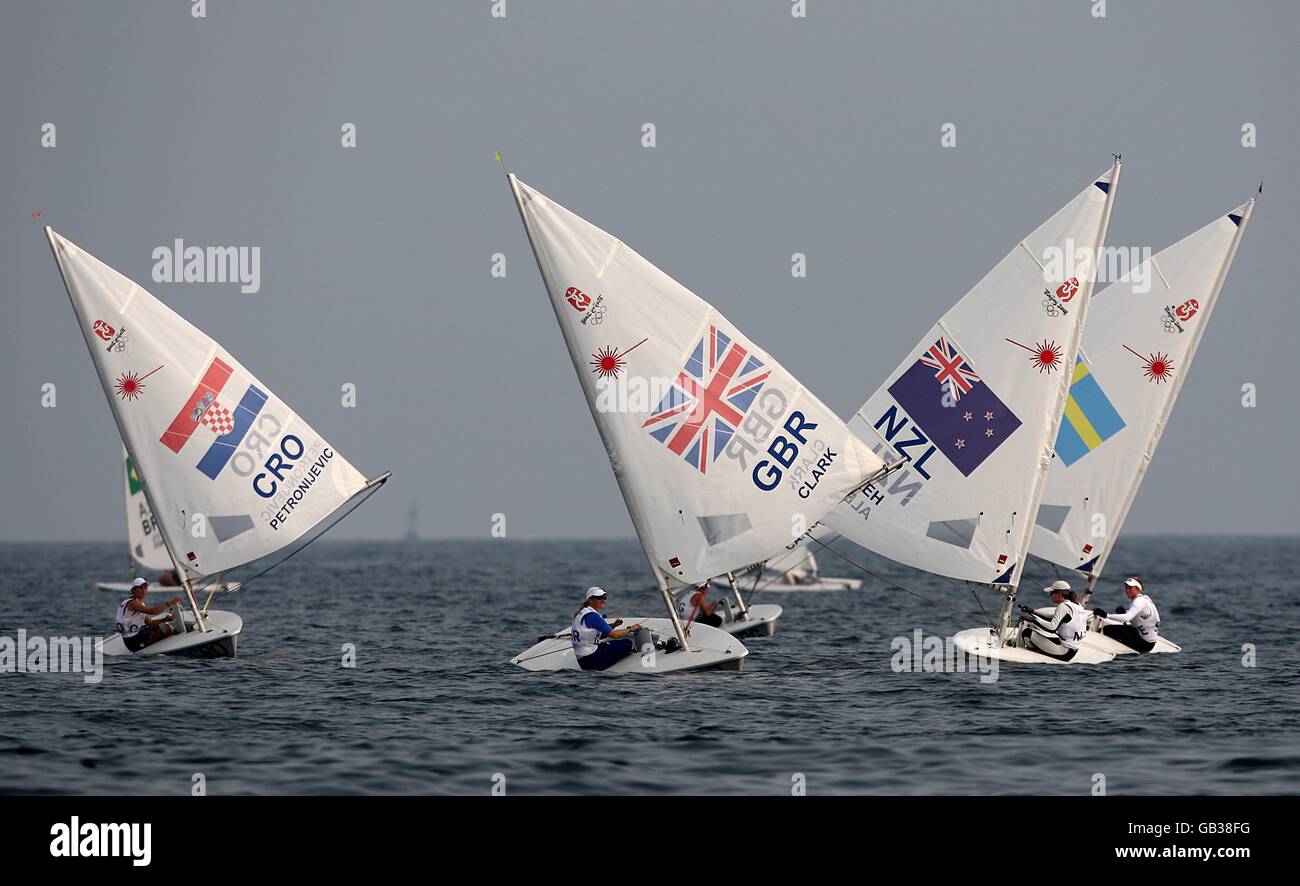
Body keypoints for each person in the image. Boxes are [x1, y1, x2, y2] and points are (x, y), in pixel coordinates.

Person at [571, 587, 644, 671]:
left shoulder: (582, 613)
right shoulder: (593, 616)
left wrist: (613, 625)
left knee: (611, 644)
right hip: (591, 662)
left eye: (604, 598)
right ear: (590, 600)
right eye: (599, 598)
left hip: (583, 661)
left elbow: (598, 636)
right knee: (627, 643)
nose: (603, 600)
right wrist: (631, 629)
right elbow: (614, 635)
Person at [1013, 579, 1086, 662]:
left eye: (1051, 593)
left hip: (1064, 652)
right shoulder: (1077, 605)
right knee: (1044, 636)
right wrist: (1032, 611)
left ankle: (1034, 653)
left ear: (1059, 594)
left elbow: (1052, 628)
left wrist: (1033, 620)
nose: (1050, 595)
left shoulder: (1063, 606)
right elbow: (1053, 617)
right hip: (1071, 650)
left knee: (1027, 633)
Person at [1092, 576, 1160, 653]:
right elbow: (1139, 616)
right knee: (1113, 628)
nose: (1127, 590)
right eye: (1126, 588)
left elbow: (1127, 618)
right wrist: (1125, 612)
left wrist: (1106, 615)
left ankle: (1110, 650)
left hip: (1145, 645)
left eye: (1130, 588)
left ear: (1138, 588)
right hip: (1148, 639)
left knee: (1108, 630)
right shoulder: (1145, 599)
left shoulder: (1138, 602)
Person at [115, 577, 183, 652]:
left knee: (165, 626)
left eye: (145, 588)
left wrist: (165, 619)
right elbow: (152, 611)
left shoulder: (139, 604)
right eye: (140, 588)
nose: (143, 590)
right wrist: (170, 603)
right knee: (169, 628)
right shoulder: (133, 603)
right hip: (134, 641)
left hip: (131, 640)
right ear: (134, 590)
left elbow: (151, 623)